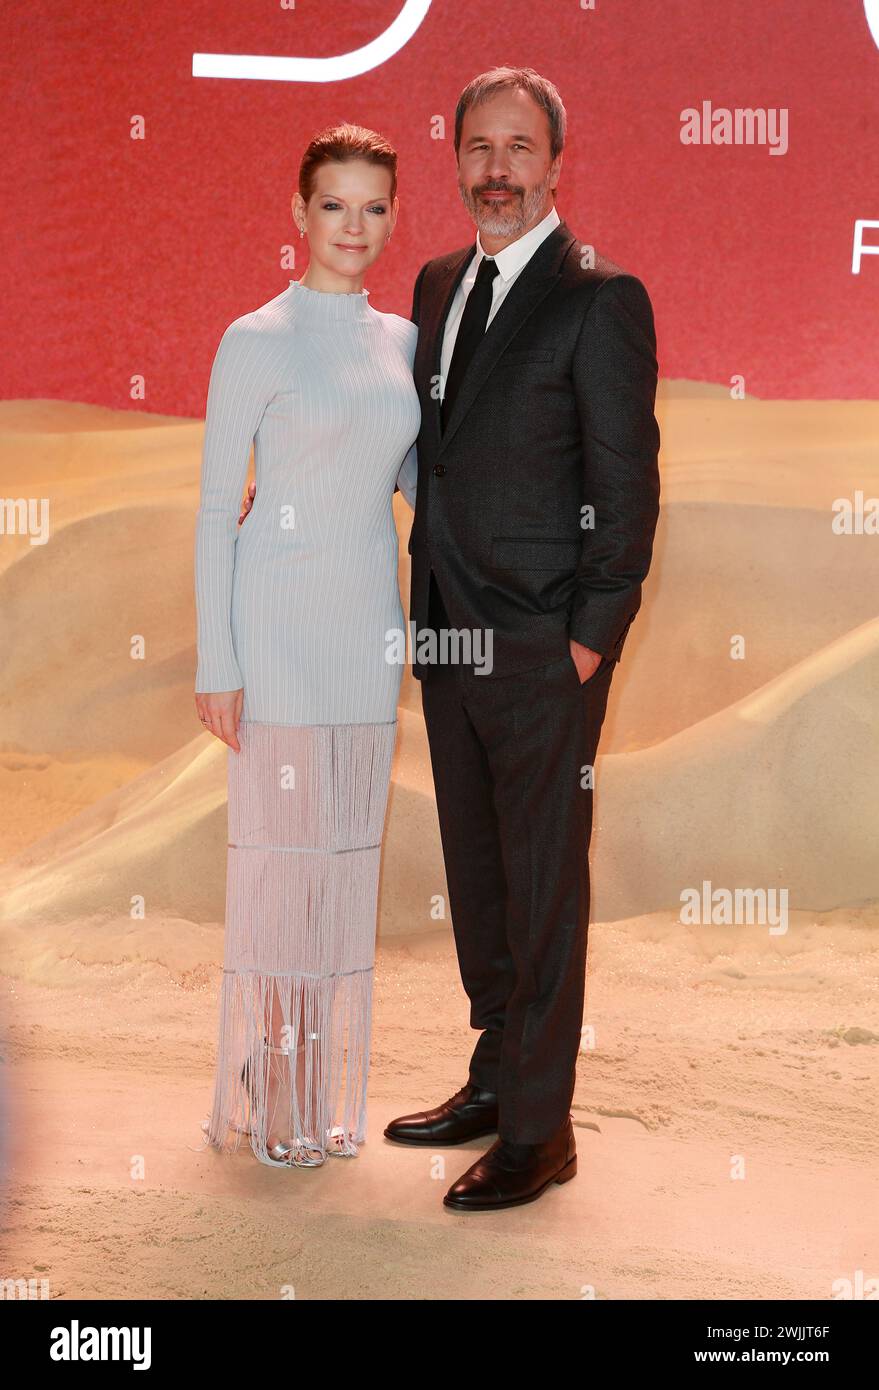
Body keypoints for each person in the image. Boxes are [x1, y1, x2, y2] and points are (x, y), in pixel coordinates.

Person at [382, 66, 661, 1211]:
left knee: (544, 885)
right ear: (455, 159)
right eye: (478, 148)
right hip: (447, 634)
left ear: (555, 162)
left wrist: (588, 640)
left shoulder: (602, 297)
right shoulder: (438, 280)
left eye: (519, 148)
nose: (496, 169)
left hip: (545, 649)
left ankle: (542, 1133)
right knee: (482, 874)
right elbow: (431, 453)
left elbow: (628, 482)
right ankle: (497, 1075)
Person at [194, 123, 419, 1168]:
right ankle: (276, 1080)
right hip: (277, 638)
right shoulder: (256, 338)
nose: (354, 228)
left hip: (367, 635)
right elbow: (209, 513)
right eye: (335, 205)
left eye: (374, 207)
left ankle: (302, 1077)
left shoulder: (402, 343)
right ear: (298, 213)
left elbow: (416, 483)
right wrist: (217, 661)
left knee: (338, 871)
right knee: (286, 876)